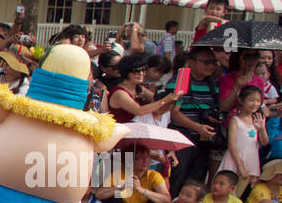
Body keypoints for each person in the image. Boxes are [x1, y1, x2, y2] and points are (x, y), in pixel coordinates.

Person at [163, 46, 221, 192]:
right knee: (177, 177)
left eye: (213, 62)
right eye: (206, 62)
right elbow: (174, 113)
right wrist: (198, 127)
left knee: (196, 181)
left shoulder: (212, 83)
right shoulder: (180, 80)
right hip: (181, 137)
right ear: (191, 62)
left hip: (203, 140)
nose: (210, 66)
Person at [219, 84, 267, 187]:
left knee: (240, 194)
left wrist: (262, 129)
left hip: (250, 160)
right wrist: (240, 165)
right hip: (235, 160)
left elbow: (264, 142)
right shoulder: (235, 120)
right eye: (251, 100)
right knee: (227, 190)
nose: (255, 103)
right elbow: (231, 145)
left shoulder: (258, 120)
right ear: (241, 100)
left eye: (258, 101)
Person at [107, 54, 177, 123]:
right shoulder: (120, 93)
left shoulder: (139, 88)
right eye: (136, 71)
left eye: (143, 70)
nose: (141, 74)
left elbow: (155, 99)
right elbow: (139, 111)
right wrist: (165, 100)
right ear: (126, 72)